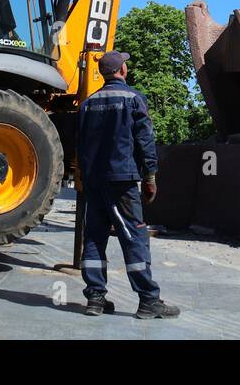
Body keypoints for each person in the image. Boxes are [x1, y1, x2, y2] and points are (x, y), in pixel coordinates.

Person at [76, 50, 180, 319]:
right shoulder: (133, 99)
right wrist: (151, 176)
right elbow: (144, 140)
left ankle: (95, 300)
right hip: (121, 180)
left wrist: (81, 177)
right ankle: (148, 300)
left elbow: (80, 144)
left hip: (94, 181)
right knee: (134, 236)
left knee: (95, 237)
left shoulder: (88, 103)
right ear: (122, 70)